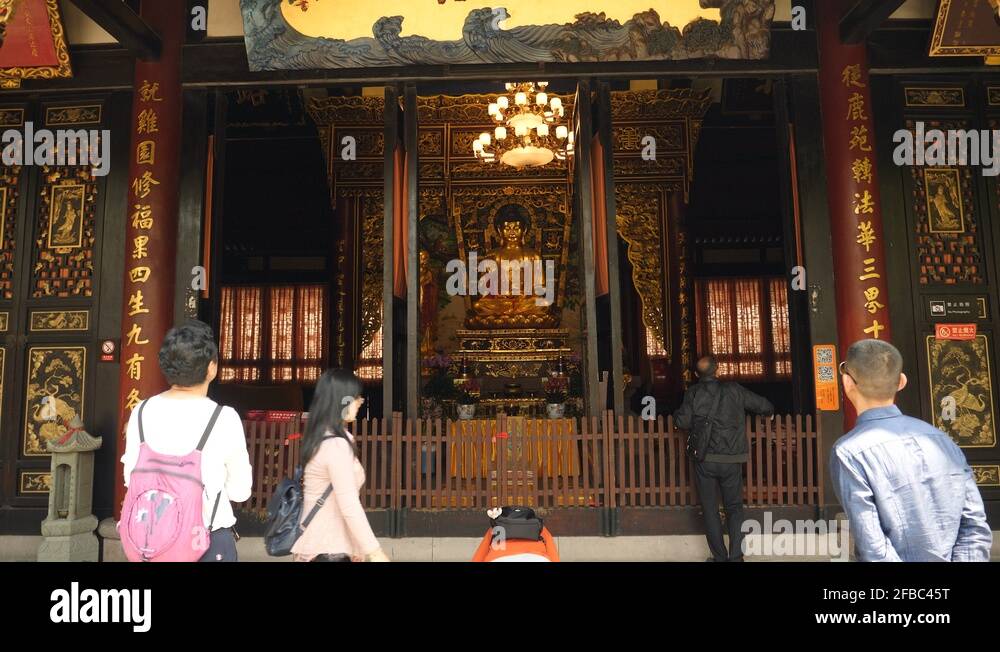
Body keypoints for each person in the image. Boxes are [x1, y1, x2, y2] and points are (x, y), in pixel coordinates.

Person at [832, 339, 992, 562]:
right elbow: (974, 526)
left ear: (847, 382)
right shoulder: (942, 440)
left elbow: (874, 548)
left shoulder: (849, 452)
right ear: (902, 382)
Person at [121, 319, 252, 562]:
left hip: (151, 541)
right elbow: (240, 491)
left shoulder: (141, 411)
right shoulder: (223, 417)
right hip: (207, 541)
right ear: (211, 368)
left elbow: (130, 476)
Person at [674, 354, 774, 562]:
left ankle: (719, 557)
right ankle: (736, 556)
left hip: (705, 460)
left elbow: (682, 422)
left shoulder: (693, 393)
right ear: (717, 370)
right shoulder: (734, 390)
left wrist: (678, 414)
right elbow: (763, 405)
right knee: (734, 508)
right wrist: (769, 414)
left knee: (710, 509)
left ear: (695, 374)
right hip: (731, 459)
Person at [291, 369, 390, 562]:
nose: (360, 402)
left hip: (324, 544)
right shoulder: (336, 445)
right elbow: (349, 504)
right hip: (329, 548)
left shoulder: (324, 437)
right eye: (356, 397)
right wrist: (375, 551)